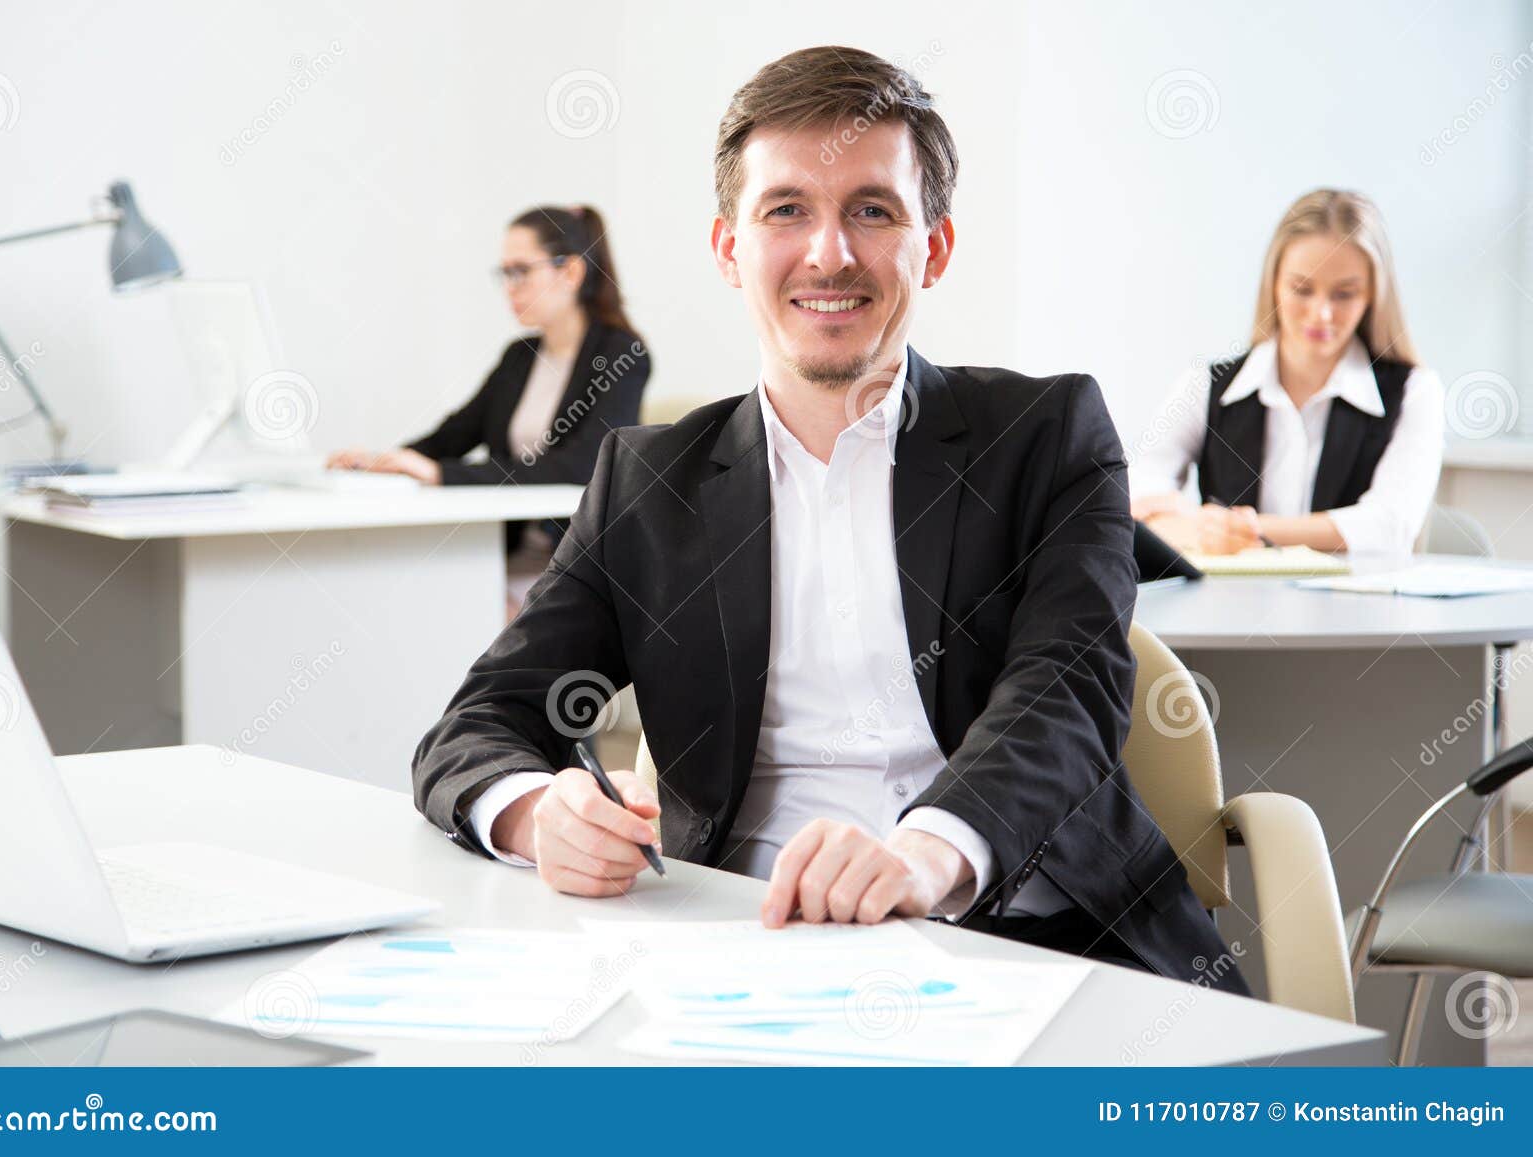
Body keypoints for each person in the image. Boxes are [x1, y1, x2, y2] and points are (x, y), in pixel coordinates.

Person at [411, 47, 1245, 992]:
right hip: (744, 950)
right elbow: (479, 721)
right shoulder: (648, 481)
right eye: (786, 211)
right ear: (730, 249)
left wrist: (925, 854)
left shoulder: (1047, 436)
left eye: (872, 210)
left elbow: (1069, 689)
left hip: (1034, 938)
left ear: (934, 247)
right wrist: (533, 813)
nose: (829, 253)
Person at [328, 206, 651, 607]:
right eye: (504, 274)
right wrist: (385, 461)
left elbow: (584, 463)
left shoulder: (621, 353)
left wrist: (442, 474)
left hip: (577, 563)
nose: (509, 288)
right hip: (510, 553)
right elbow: (456, 433)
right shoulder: (520, 356)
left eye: (521, 271)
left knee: (454, 611)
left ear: (570, 272)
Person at [1130, 189, 1444, 556]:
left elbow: (1389, 525)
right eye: (1302, 288)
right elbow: (1135, 494)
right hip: (1227, 607)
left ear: (1373, 293)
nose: (1321, 314)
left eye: (1344, 294)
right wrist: (1188, 530)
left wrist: (1243, 529)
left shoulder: (1415, 392)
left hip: (1354, 612)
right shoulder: (1208, 385)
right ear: (1274, 282)